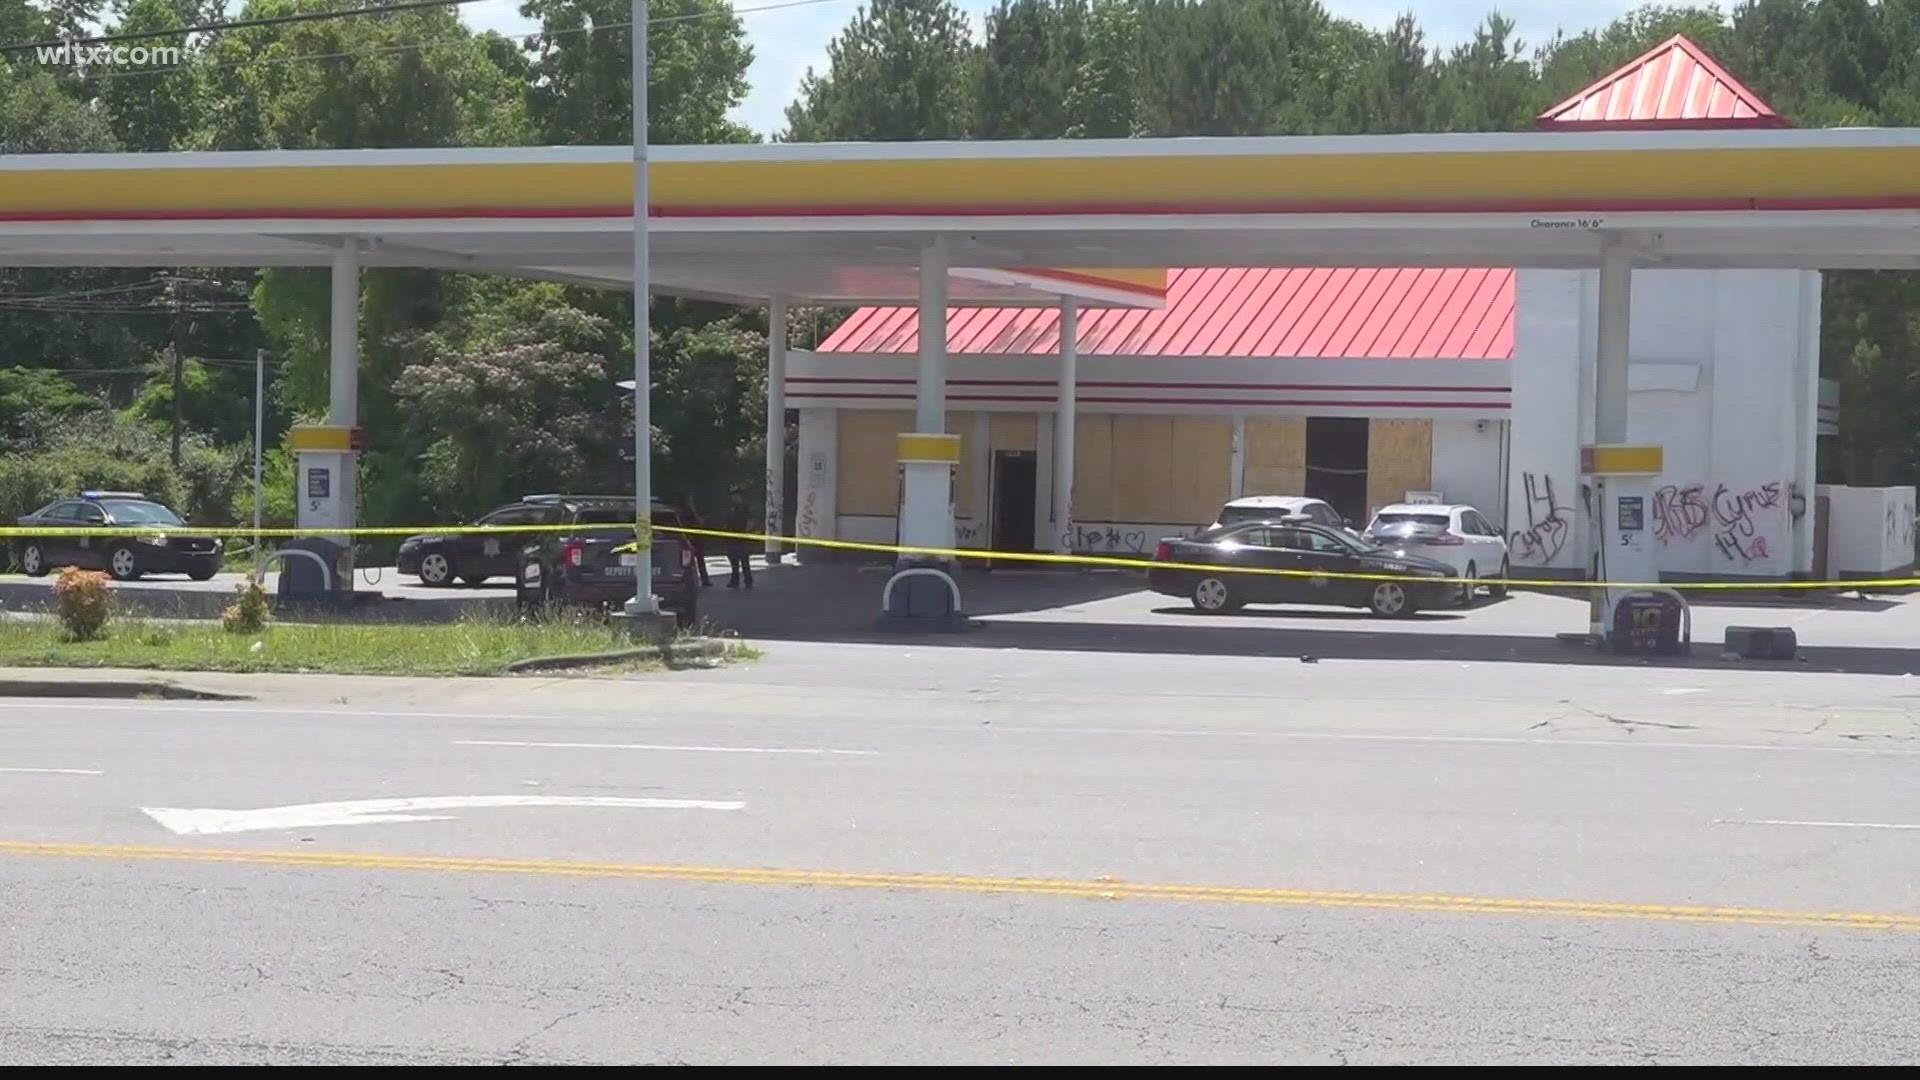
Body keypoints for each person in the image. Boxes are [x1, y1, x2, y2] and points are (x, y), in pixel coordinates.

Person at [724, 494, 756, 589]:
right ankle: (735, 580)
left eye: (736, 496)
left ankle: (748, 580)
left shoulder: (745, 507)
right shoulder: (731, 507)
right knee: (734, 561)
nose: (734, 498)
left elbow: (752, 519)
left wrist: (747, 530)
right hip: (732, 538)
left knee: (744, 560)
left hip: (742, 537)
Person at [682, 496, 712, 587]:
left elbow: (701, 522)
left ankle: (705, 580)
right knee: (687, 561)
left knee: (700, 559)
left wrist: (694, 511)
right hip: (687, 538)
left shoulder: (698, 511)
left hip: (697, 538)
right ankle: (686, 580)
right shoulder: (683, 513)